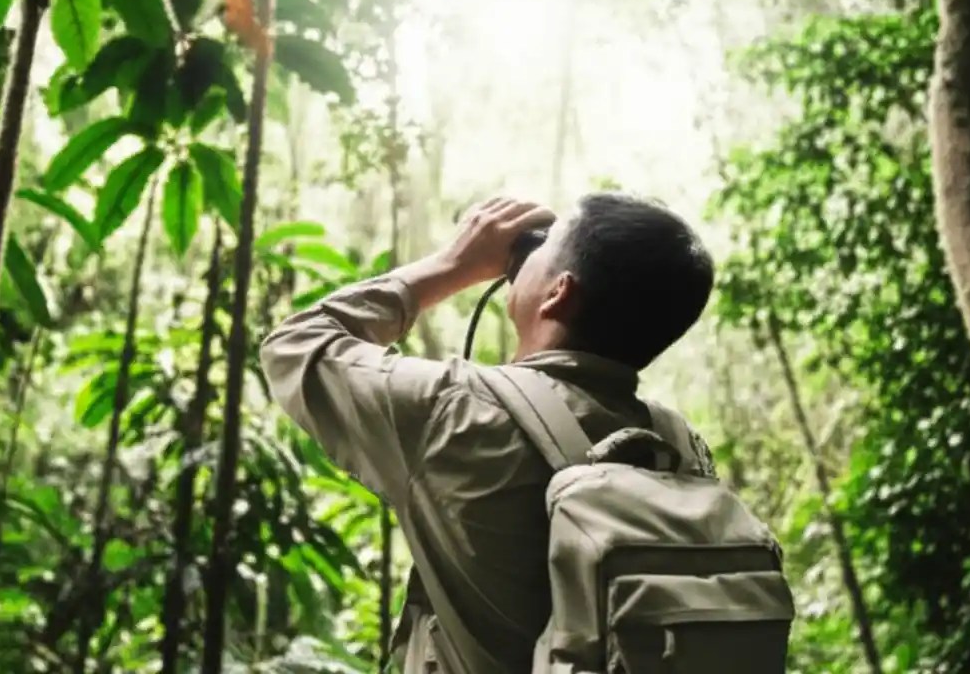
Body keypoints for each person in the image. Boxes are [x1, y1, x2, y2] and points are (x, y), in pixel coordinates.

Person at [259, 192, 718, 672]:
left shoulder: (457, 411)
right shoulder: (682, 448)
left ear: (558, 292)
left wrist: (453, 264)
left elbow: (295, 345)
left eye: (544, 245)